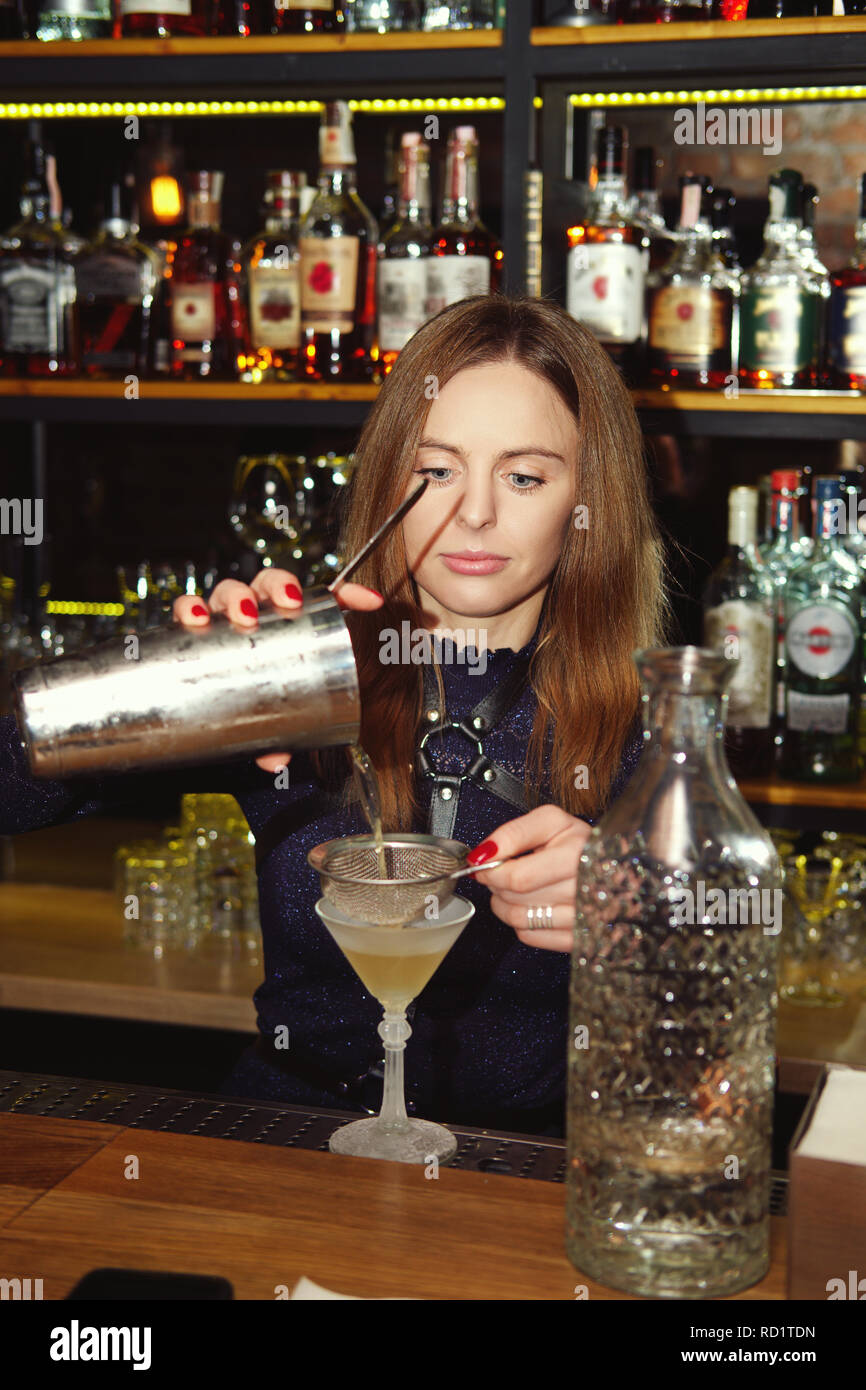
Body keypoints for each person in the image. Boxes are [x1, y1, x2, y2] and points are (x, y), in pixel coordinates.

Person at [0, 296, 669, 1136]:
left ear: (588, 501)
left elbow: (736, 949)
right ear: (390, 478)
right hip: (287, 1150)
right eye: (436, 470)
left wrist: (640, 905)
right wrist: (161, 686)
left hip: (522, 1180)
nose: (475, 513)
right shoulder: (299, 677)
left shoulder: (655, 727)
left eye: (524, 475)